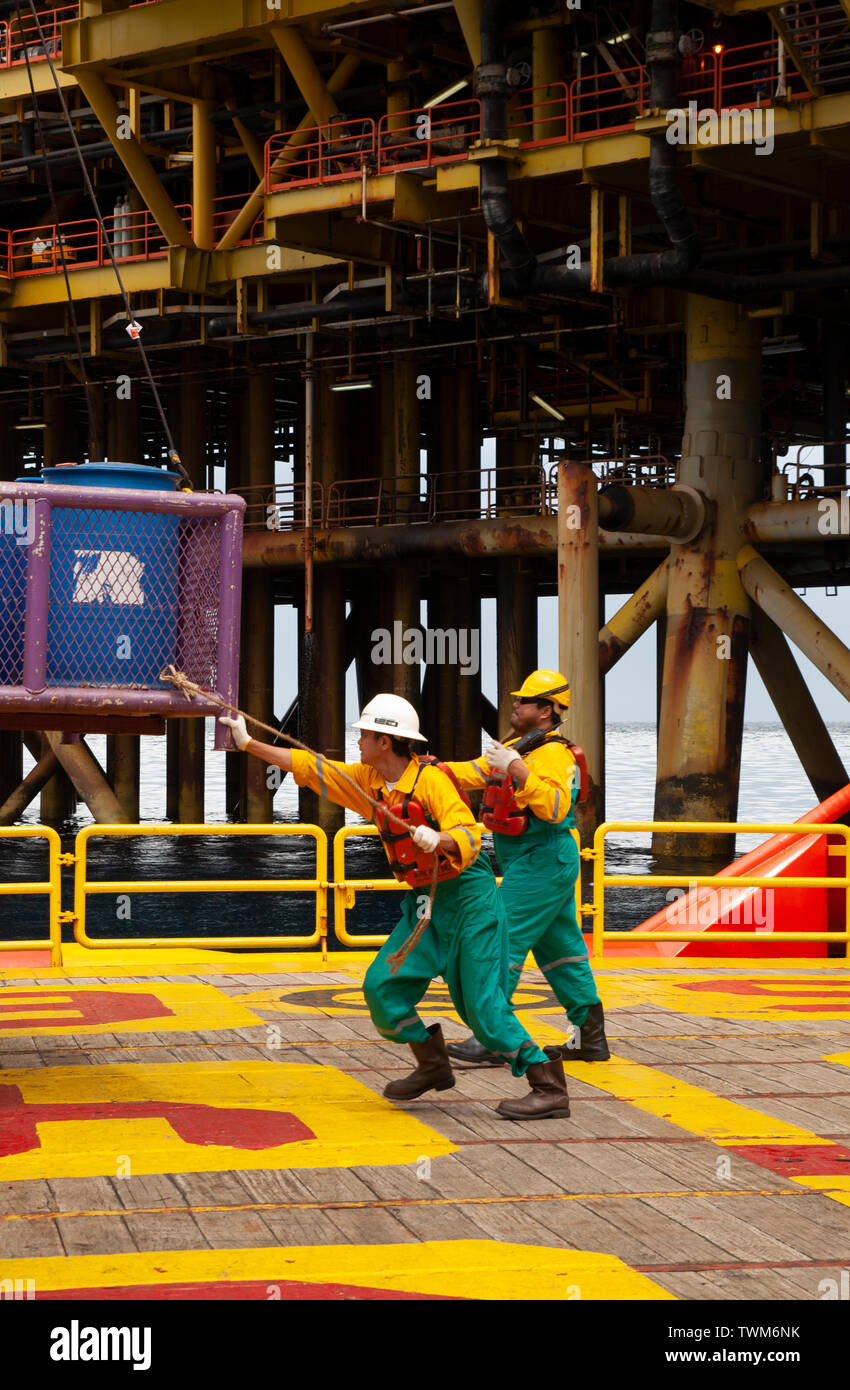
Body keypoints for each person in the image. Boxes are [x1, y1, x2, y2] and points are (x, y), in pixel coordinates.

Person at [219, 692, 571, 1120]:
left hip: (468, 900)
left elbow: (469, 836)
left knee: (482, 1007)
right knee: (381, 987)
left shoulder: (432, 781)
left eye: (365, 735)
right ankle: (433, 1064)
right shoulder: (370, 780)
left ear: (386, 741)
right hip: (424, 905)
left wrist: (436, 838)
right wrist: (249, 744)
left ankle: (547, 1084)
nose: (359, 742)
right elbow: (312, 767)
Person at [442, 668, 610, 1065]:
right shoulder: (521, 747)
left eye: (523, 701)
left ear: (547, 710)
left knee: (501, 938)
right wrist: (431, 769)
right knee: (562, 950)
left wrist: (518, 770)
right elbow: (474, 772)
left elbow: (555, 808)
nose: (514, 705)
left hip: (544, 858)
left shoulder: (552, 755)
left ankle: (492, 1035)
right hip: (536, 861)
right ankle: (590, 1037)